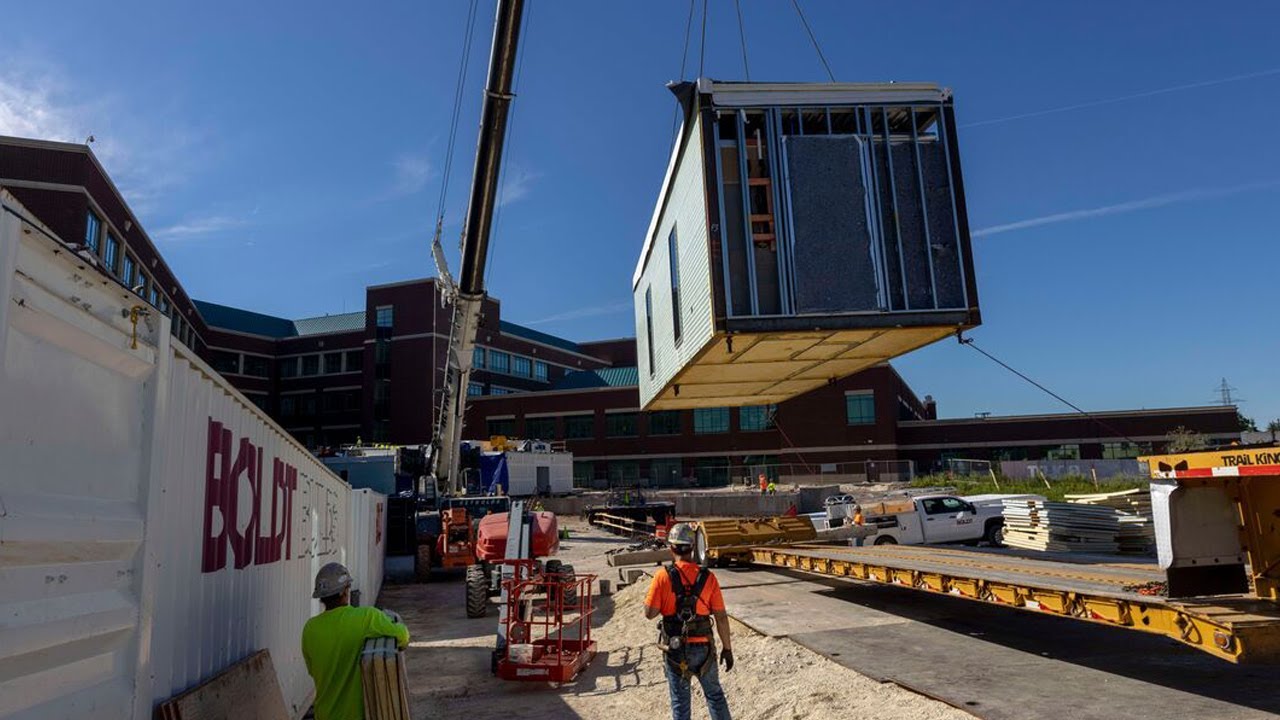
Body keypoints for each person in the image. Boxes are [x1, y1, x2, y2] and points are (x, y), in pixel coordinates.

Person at [645, 523, 733, 720]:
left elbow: (649, 613)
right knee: (715, 696)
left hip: (675, 649)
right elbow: (721, 617)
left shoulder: (662, 577)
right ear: (692, 548)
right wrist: (727, 649)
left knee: (680, 703)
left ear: (671, 548)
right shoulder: (708, 578)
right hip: (703, 648)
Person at [302, 562, 410, 720]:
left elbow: (313, 670)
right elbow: (403, 636)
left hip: (324, 715)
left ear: (321, 597)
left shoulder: (309, 629)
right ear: (344, 592)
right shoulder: (366, 617)